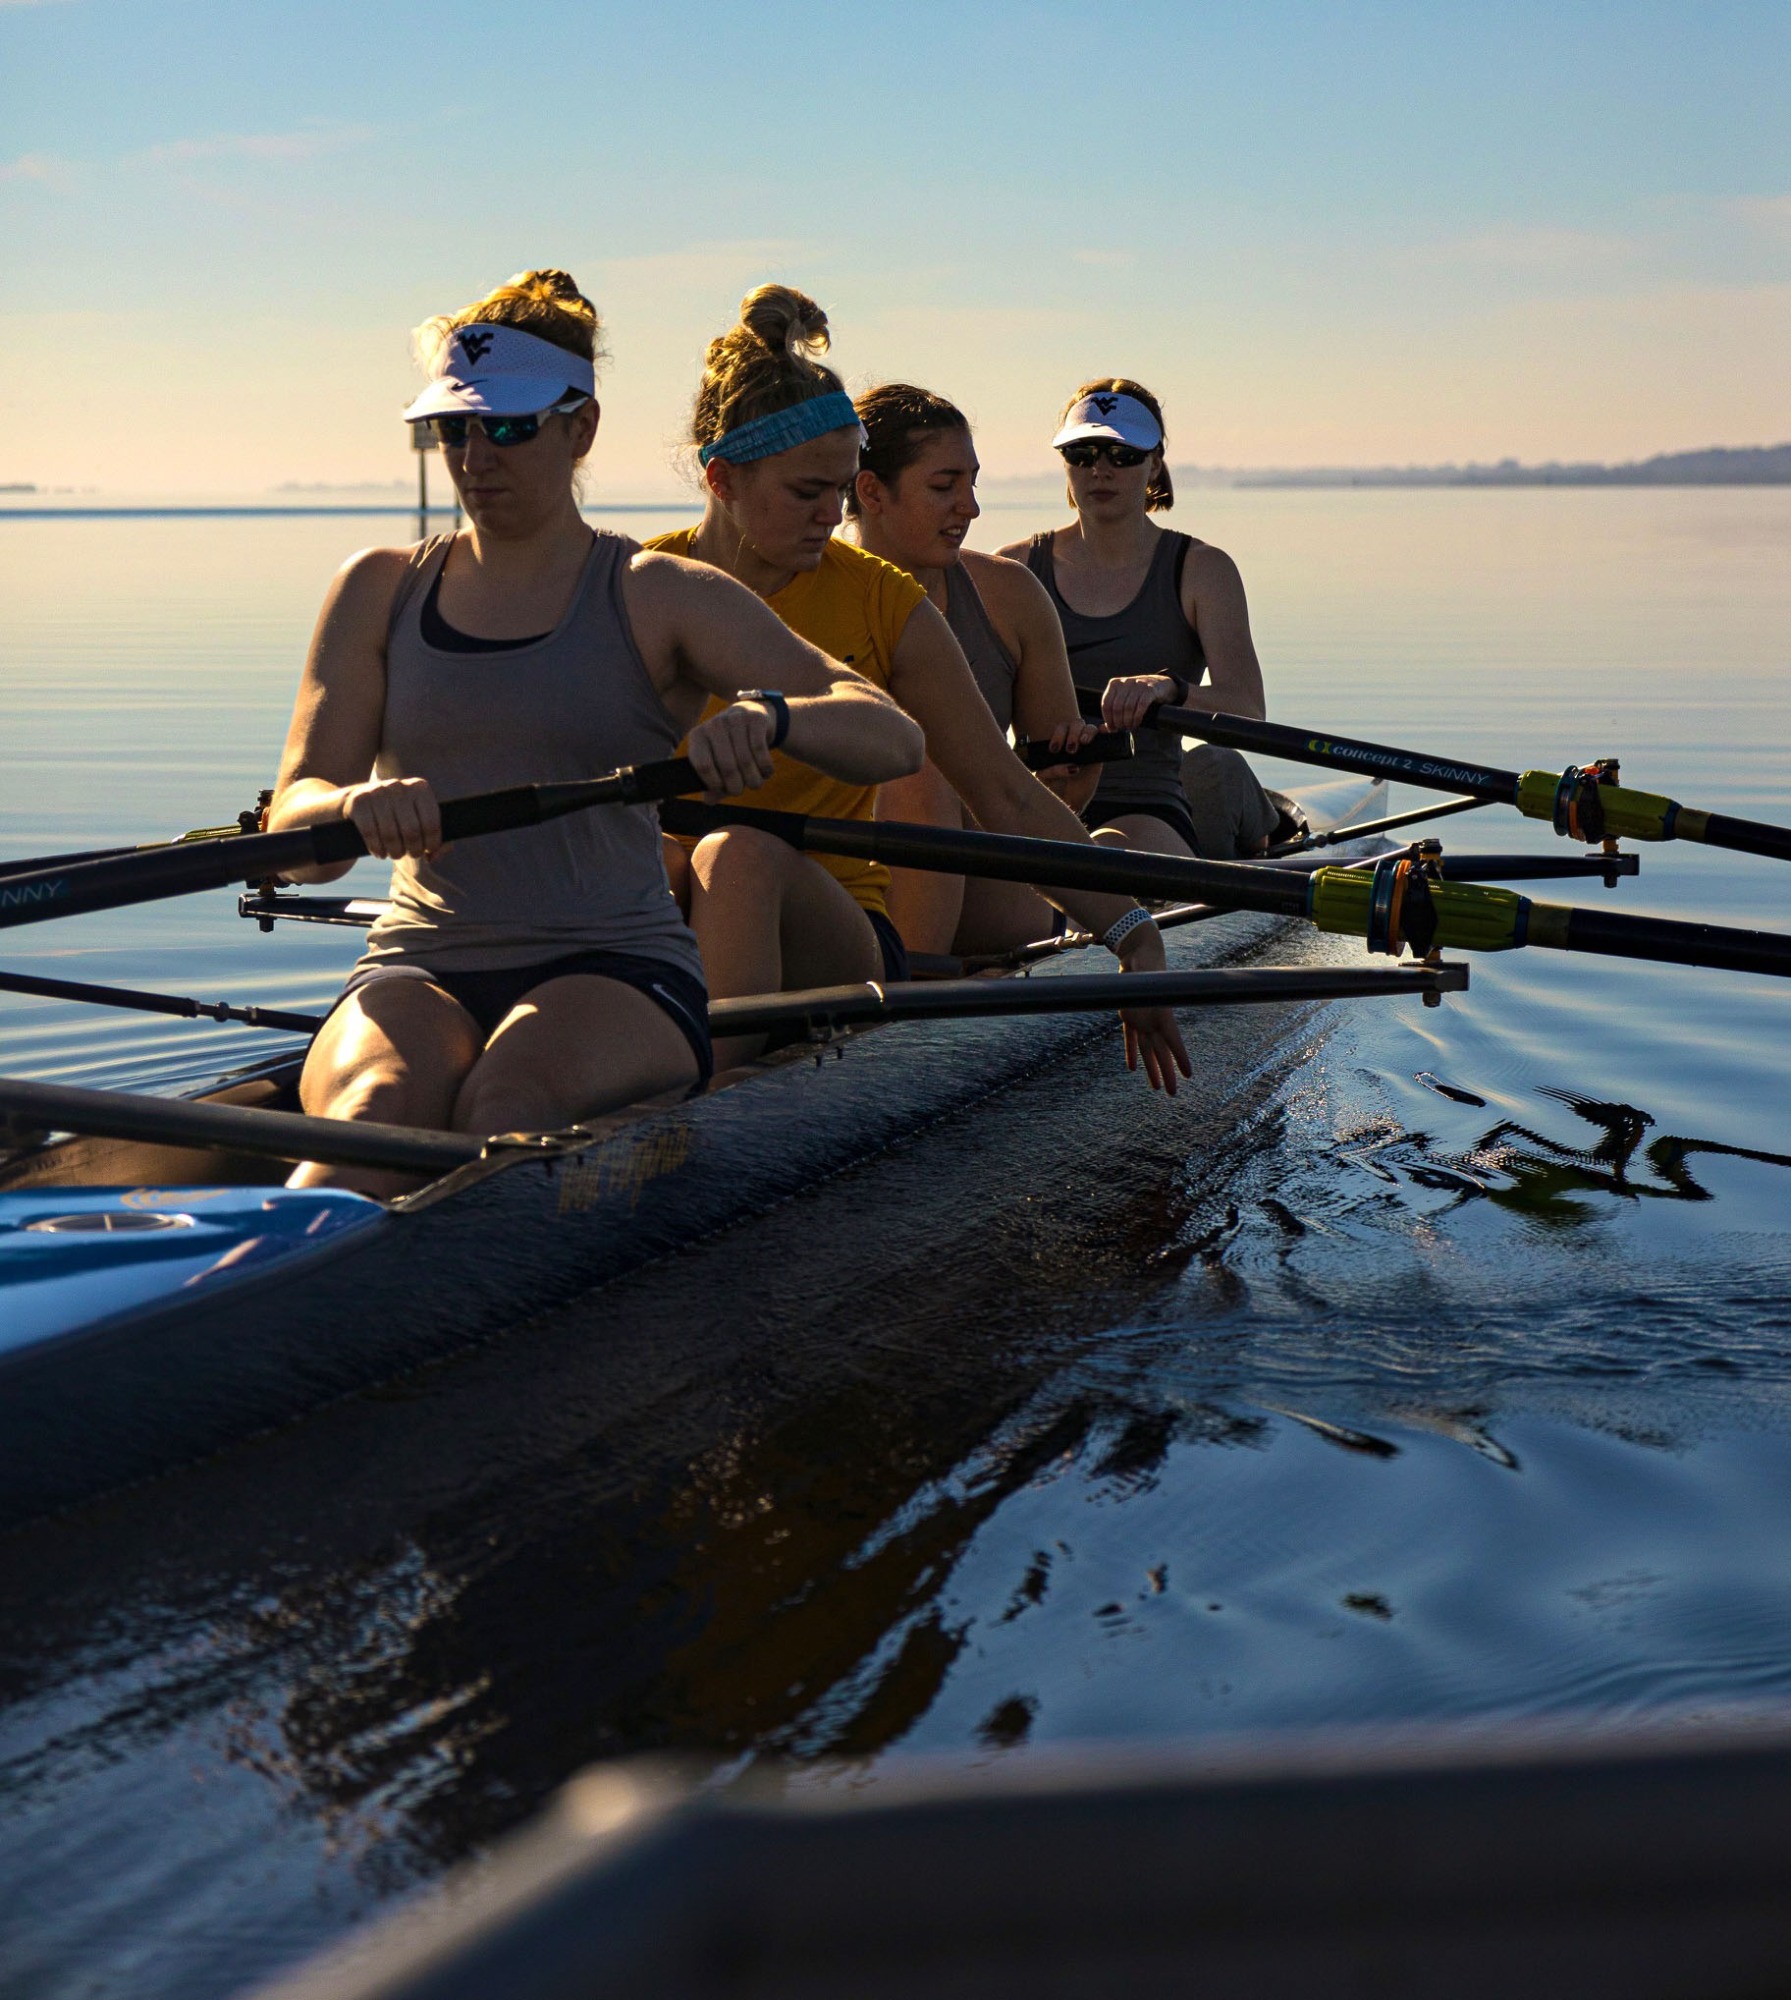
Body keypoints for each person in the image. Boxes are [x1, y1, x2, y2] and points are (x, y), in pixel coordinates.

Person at [268, 269, 922, 1193]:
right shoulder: (375, 589)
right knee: (374, 1117)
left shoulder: (657, 595)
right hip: (418, 957)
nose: (474, 456)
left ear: (581, 428)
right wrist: (344, 804)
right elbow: (298, 840)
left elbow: (891, 736)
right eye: (453, 427)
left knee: (508, 1109)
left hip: (611, 965)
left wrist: (772, 717)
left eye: (507, 425)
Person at [647, 286, 1191, 1091]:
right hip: (664, 913)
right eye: (808, 493)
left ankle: (702, 1116)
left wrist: (1134, 933)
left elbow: (1004, 796)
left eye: (838, 489)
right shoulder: (640, 583)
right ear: (720, 478)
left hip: (833, 928)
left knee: (740, 853)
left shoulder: (878, 597)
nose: (831, 515)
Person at [846, 383, 1099, 957]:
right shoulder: (808, 593)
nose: (972, 507)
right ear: (871, 492)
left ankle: (912, 998)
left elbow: (1048, 796)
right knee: (919, 771)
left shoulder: (1008, 596)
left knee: (928, 773)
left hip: (992, 888)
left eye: (972, 483)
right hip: (847, 870)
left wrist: (1074, 782)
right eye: (944, 486)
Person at [998, 379, 1279, 860]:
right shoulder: (1014, 567)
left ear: (1154, 463)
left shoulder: (1202, 570)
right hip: (1031, 798)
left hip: (1142, 805)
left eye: (1121, 454)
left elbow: (1248, 709)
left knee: (1104, 860)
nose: (1099, 469)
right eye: (1082, 453)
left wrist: (1168, 689)